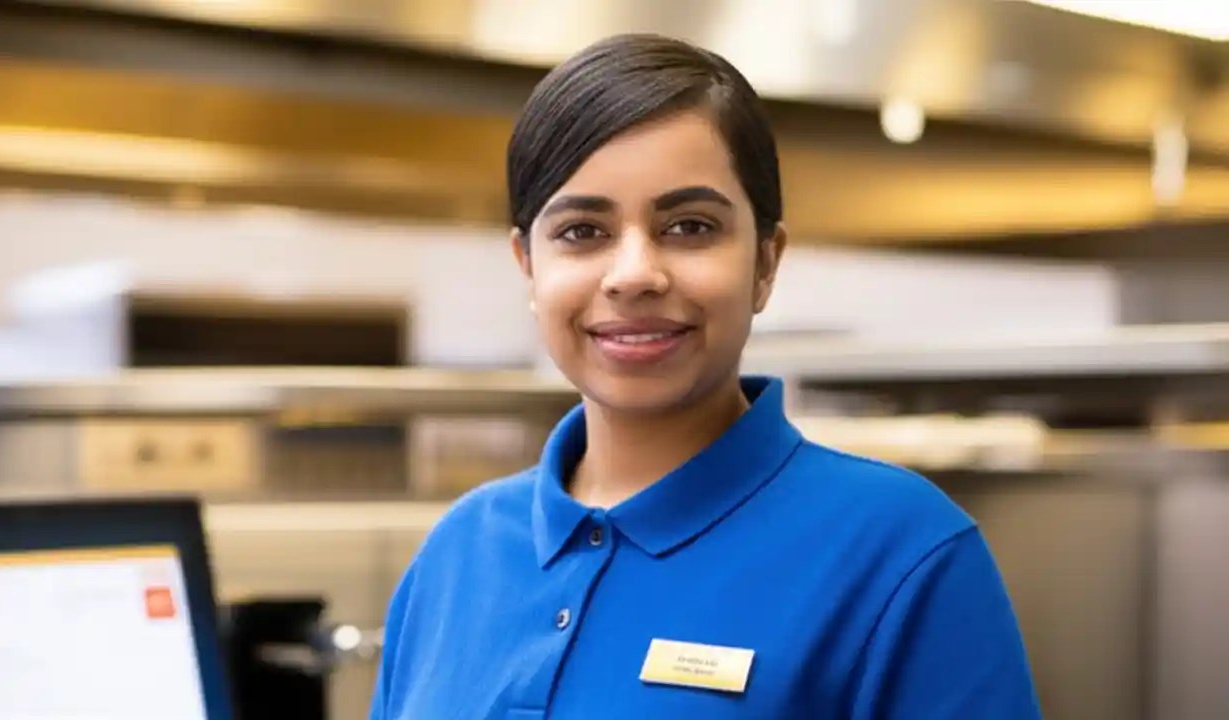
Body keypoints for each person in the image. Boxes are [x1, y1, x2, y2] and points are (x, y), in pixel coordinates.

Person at [371, 33, 1041, 720]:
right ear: (528, 268)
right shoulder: (457, 553)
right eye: (582, 232)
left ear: (765, 264)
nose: (634, 275)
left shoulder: (902, 553)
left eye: (689, 227)